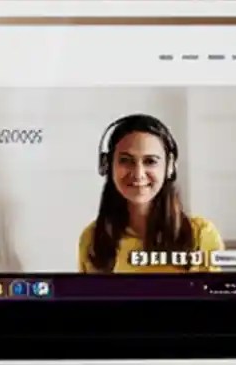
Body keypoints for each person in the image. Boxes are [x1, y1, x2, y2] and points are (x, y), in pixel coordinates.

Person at [78, 114, 224, 273]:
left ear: (169, 166)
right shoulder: (92, 239)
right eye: (125, 160)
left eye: (150, 161)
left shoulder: (201, 235)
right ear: (108, 165)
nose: (138, 174)